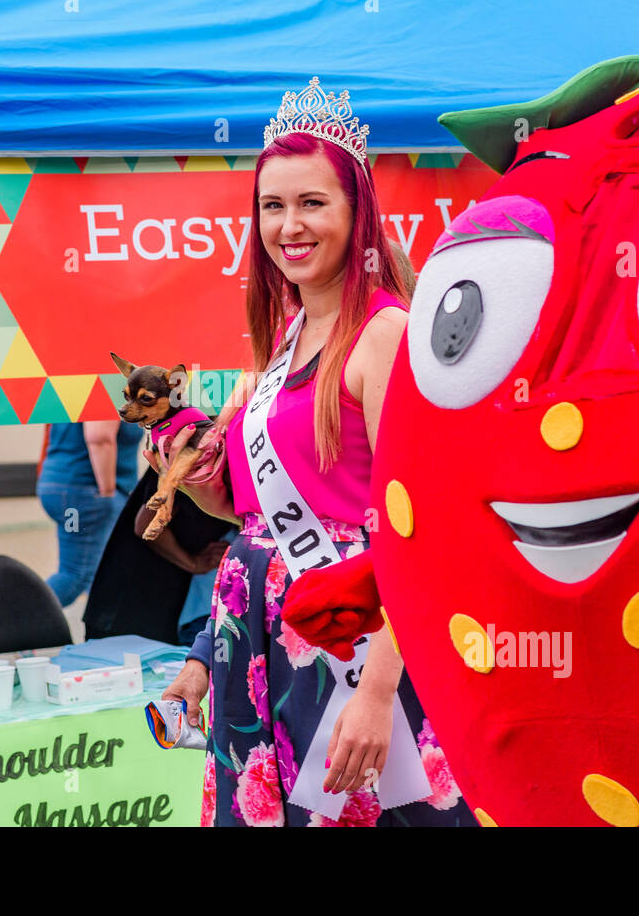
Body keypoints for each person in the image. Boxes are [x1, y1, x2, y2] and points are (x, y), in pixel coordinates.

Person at [158, 79, 476, 826]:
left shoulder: (385, 334)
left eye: (312, 203)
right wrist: (206, 655)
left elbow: (422, 525)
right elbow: (253, 520)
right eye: (273, 205)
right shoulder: (284, 342)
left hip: (355, 654)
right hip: (258, 654)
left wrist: (376, 691)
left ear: (355, 210)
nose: (289, 225)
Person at [83, 466, 232, 645]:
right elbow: (147, 525)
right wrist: (193, 563)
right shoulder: (192, 456)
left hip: (165, 603)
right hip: (130, 606)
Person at [37, 420, 143, 607]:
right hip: (82, 495)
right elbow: (99, 437)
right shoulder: (105, 392)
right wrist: (108, 491)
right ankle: (14, 621)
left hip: (64, 491)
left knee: (90, 572)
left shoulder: (75, 391)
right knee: (75, 574)